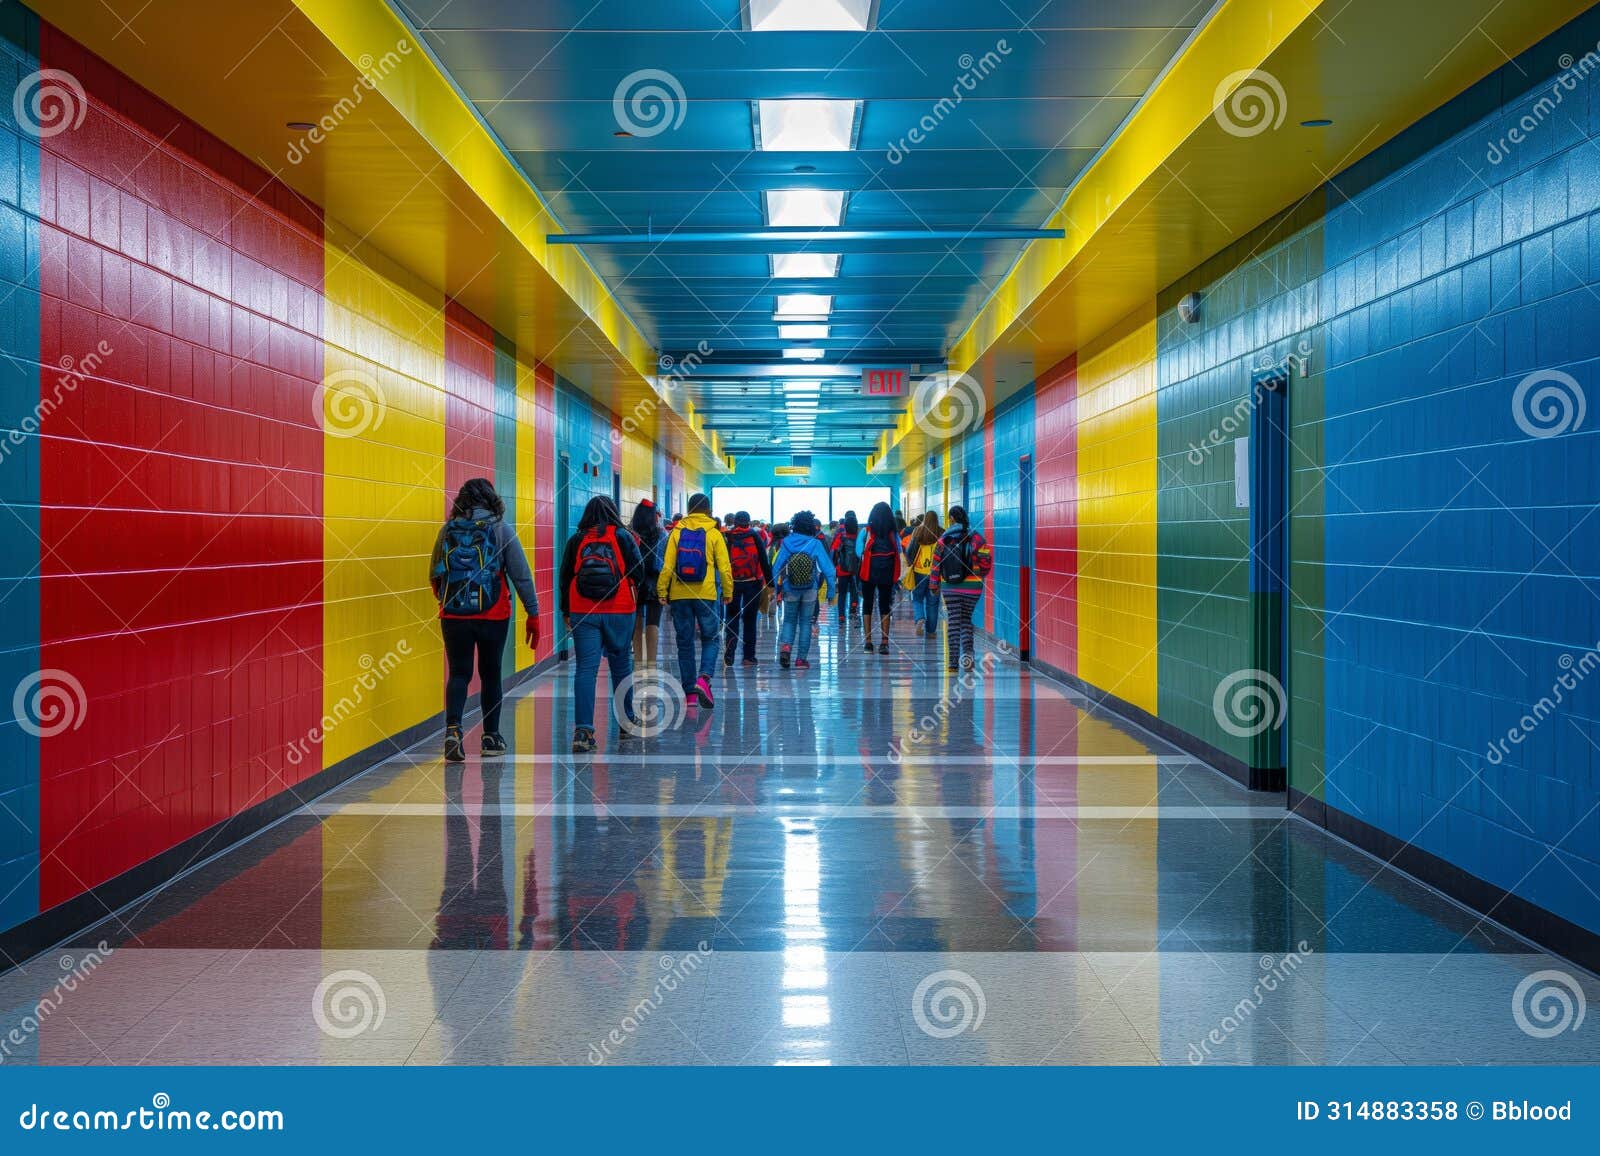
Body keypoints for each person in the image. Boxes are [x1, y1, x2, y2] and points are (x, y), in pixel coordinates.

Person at [429, 477, 540, 763]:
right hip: (493, 614)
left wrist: (448, 600)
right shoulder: (501, 529)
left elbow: (435, 573)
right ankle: (491, 737)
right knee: (490, 674)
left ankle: (453, 729)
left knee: (459, 673)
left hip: (453, 615)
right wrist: (533, 613)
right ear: (492, 499)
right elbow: (521, 576)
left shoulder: (447, 530)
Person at [559, 496, 644, 753]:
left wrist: (566, 611)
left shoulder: (577, 539)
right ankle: (627, 720)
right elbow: (639, 572)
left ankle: (583, 731)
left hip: (583, 609)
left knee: (586, 669)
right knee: (621, 664)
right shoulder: (623, 536)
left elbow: (565, 577)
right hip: (619, 609)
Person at [658, 492, 733, 707]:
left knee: (685, 642)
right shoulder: (714, 533)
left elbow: (667, 565)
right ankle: (704, 679)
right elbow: (724, 568)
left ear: (689, 510)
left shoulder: (676, 532)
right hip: (706, 594)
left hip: (680, 594)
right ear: (708, 511)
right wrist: (728, 591)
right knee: (711, 638)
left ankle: (690, 694)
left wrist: (662, 590)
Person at [928, 505, 993, 671]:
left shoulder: (943, 540)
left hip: (950, 587)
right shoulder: (977, 538)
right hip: (973, 587)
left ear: (951, 519)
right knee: (966, 621)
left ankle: (952, 663)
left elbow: (936, 565)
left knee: (954, 621)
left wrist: (933, 585)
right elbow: (986, 562)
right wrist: (978, 574)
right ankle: (968, 661)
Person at [773, 510, 835, 671]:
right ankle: (801, 659)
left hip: (790, 588)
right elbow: (829, 570)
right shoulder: (815, 543)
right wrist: (831, 591)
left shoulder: (787, 542)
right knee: (806, 622)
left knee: (789, 620)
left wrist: (775, 589)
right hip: (810, 589)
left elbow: (776, 567)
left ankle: (786, 648)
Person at [722, 510, 773, 667]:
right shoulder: (755, 536)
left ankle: (730, 652)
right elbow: (764, 560)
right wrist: (770, 583)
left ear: (735, 522)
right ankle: (748, 657)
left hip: (732, 583)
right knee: (750, 620)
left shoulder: (728, 536)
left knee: (732, 617)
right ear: (748, 522)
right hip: (753, 583)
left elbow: (723, 561)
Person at [857, 501, 902, 654]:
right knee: (885, 605)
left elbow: (858, 552)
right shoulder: (893, 533)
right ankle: (884, 643)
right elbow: (899, 550)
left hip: (868, 572)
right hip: (887, 573)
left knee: (867, 605)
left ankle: (868, 643)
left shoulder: (866, 531)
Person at [630, 499, 665, 665]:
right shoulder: (661, 534)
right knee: (653, 622)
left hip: (635, 582)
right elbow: (661, 562)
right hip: (655, 582)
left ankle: (638, 661)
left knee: (636, 622)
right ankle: (651, 662)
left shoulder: (630, 533)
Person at [905, 511, 943, 637]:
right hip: (935, 574)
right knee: (933, 603)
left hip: (919, 572)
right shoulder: (942, 533)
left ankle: (920, 618)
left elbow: (909, 551)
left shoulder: (918, 531)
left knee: (917, 598)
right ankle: (931, 632)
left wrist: (910, 563)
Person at [829, 510, 862, 627]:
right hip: (855, 570)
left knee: (842, 594)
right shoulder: (859, 538)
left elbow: (833, 552)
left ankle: (841, 617)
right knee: (854, 591)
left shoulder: (841, 538)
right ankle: (853, 610)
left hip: (841, 570)